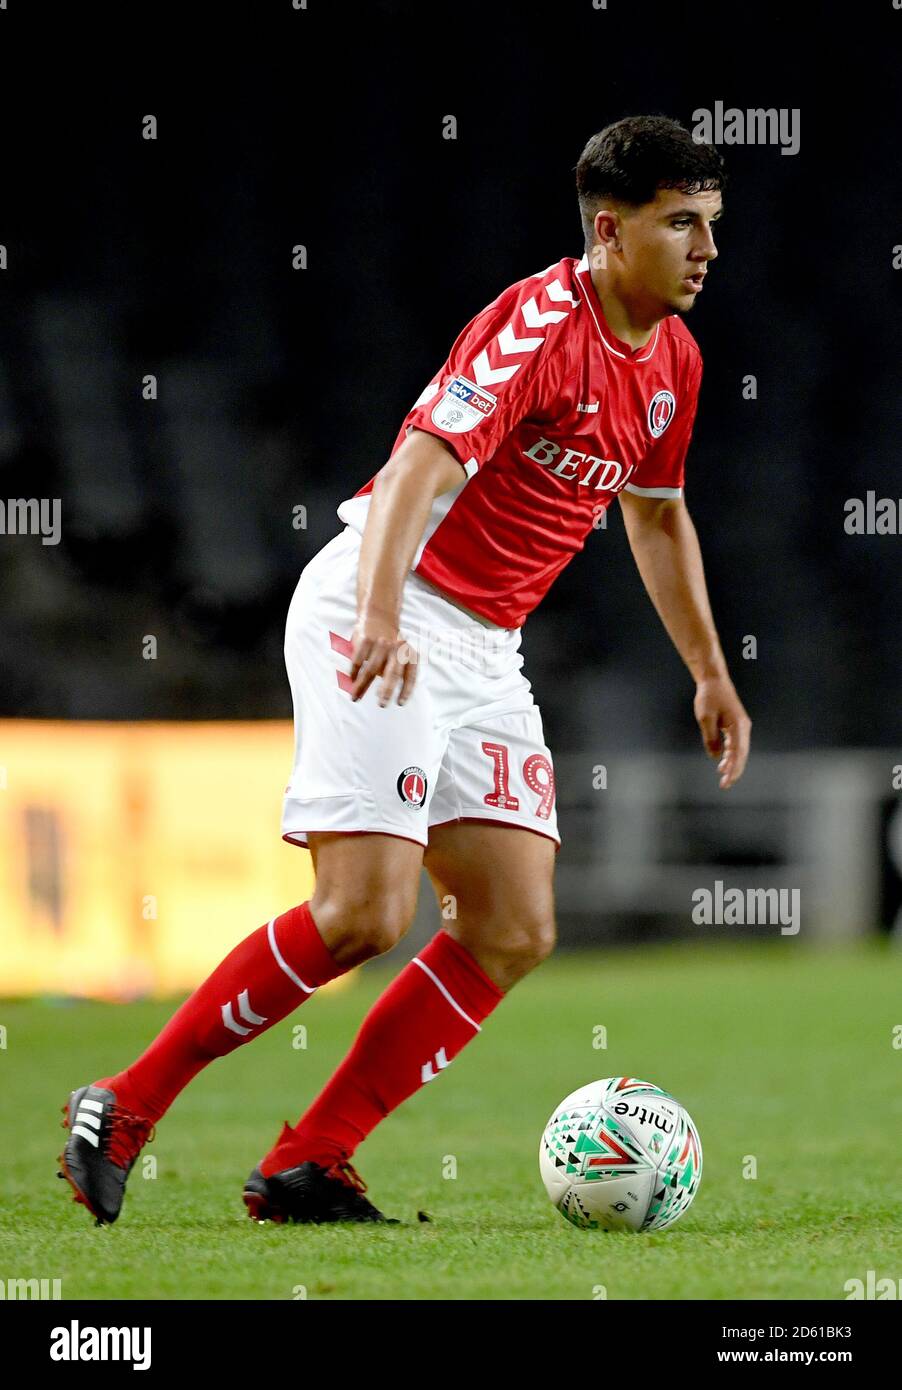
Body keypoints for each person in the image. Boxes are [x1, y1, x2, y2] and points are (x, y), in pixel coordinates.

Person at [58, 114, 751, 1226]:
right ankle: (122, 1105)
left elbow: (658, 517)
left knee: (512, 925)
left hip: (483, 645)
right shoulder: (538, 325)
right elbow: (418, 465)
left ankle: (309, 1160)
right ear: (611, 231)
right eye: (682, 224)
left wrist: (709, 672)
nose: (706, 249)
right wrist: (381, 614)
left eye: (711, 225)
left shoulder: (672, 362)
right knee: (361, 914)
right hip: (380, 603)